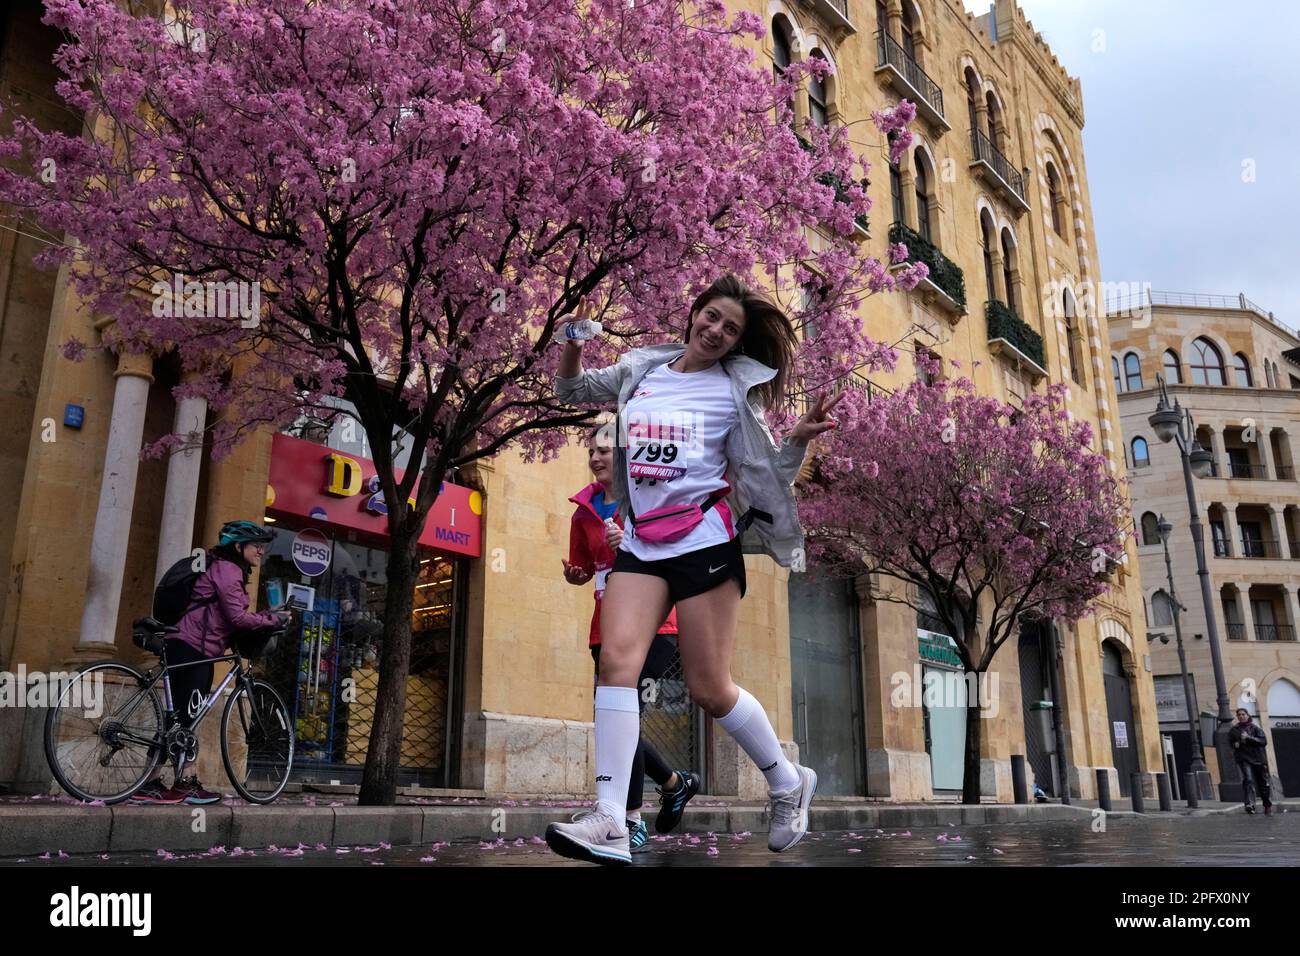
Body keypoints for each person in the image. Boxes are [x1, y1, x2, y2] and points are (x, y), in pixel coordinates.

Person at [544, 274, 842, 865]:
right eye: (711, 317)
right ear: (694, 312)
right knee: (616, 663)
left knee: (710, 689)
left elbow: (765, 473)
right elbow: (570, 388)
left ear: (735, 344)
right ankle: (609, 818)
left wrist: (800, 440)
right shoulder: (640, 372)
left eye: (730, 329)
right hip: (643, 543)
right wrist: (575, 336)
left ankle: (787, 781)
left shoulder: (734, 394)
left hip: (704, 540)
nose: (716, 331)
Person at [563, 422, 700, 851]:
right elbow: (584, 569)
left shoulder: (648, 497)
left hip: (653, 624)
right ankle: (675, 783)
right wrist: (576, 574)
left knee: (626, 718)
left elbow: (675, 551)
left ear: (624, 454)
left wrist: (631, 543)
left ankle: (630, 818)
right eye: (591, 452)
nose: (596, 458)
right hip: (605, 628)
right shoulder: (582, 513)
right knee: (614, 720)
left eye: (604, 449)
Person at [130, 520, 287, 805]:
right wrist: (273, 618)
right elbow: (237, 617)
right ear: (238, 547)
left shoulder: (221, 567)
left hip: (189, 646)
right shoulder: (227, 570)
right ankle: (184, 783)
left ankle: (153, 782)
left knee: (179, 718)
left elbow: (227, 613)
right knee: (186, 718)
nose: (261, 551)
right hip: (193, 649)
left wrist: (264, 616)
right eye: (256, 546)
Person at [1229, 708, 1272, 815]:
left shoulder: (1256, 728)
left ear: (1248, 715)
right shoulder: (1234, 730)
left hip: (1258, 759)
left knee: (1263, 783)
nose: (1241, 716)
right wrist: (1235, 745)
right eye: (1239, 715)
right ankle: (1250, 804)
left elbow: (1263, 741)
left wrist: (1248, 738)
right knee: (1248, 780)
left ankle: (1267, 805)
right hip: (1244, 758)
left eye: (1243, 714)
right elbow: (1230, 743)